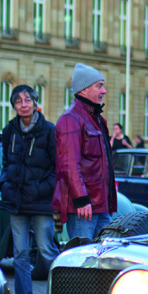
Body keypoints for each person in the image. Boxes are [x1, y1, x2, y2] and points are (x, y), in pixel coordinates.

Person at [0, 84, 57, 294]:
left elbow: (57, 168)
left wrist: (41, 189)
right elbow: (6, 162)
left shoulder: (49, 130)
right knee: (20, 254)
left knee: (46, 251)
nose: (23, 105)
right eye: (18, 101)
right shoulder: (9, 131)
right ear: (14, 105)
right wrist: (5, 184)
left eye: (27, 100)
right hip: (16, 200)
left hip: (41, 201)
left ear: (35, 103)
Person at [54, 64, 117, 240]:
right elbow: (69, 164)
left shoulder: (96, 119)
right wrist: (81, 199)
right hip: (85, 208)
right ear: (83, 90)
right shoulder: (71, 119)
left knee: (104, 258)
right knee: (84, 260)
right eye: (99, 85)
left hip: (100, 205)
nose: (104, 91)